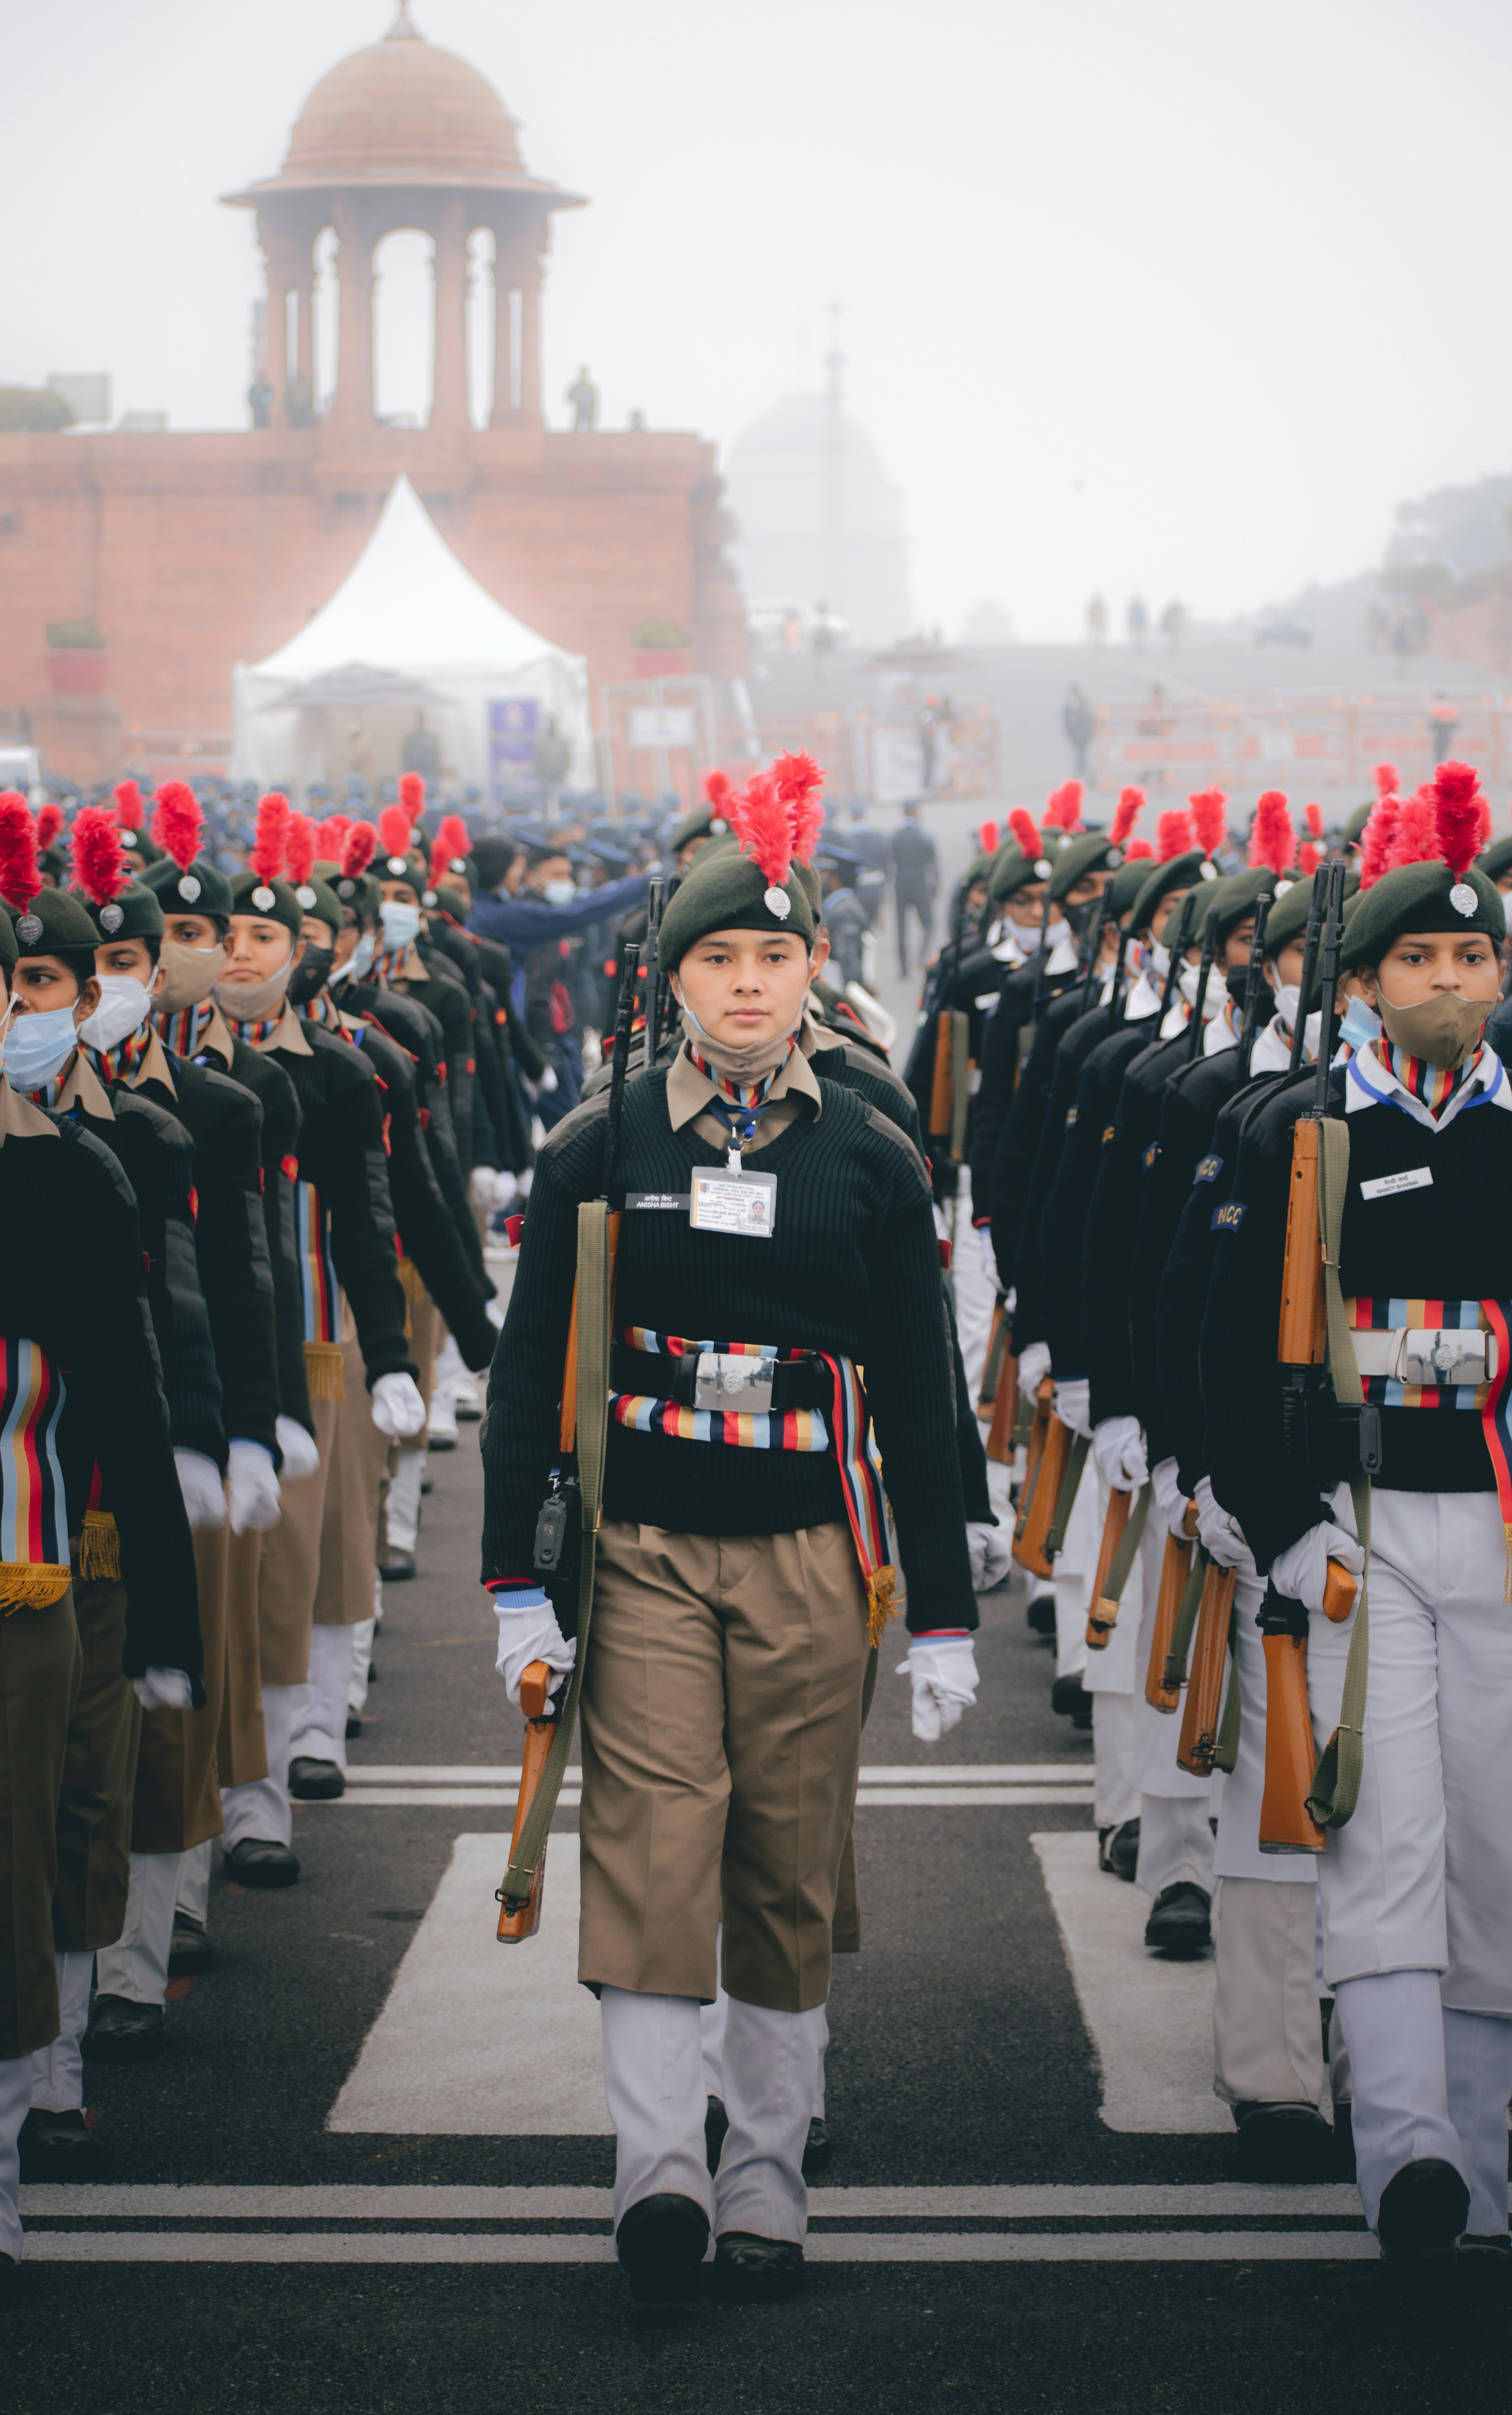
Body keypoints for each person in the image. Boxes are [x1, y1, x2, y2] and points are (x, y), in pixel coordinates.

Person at [482, 756, 977, 2309]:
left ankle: (766, 2161)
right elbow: (522, 1388)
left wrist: (949, 1608)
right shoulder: (605, 1140)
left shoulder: (868, 1151)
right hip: (642, 1547)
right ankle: (658, 2166)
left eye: (775, 956)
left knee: (779, 1855)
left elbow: (920, 1392)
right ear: (671, 973)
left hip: (810, 1549)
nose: (749, 984)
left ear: (814, 968)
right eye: (718, 957)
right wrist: (518, 1588)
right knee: (647, 1844)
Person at [1201, 761, 1512, 2269]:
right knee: (1378, 1834)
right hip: (1364, 1518)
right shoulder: (1305, 1124)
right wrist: (1279, 1518)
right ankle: (1407, 2152)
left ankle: (1486, 2140)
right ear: (1367, 981)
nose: (1447, 979)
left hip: (1505, 1522)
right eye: (1417, 958)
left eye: (1473, 954)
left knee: (1502, 1845)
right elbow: (1230, 1337)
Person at [890, 799, 938, 976]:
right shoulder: (925, 834)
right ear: (916, 811)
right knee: (929, 923)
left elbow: (890, 862)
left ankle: (903, 968)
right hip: (920, 883)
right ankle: (922, 955)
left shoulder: (894, 835)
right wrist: (936, 886)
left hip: (901, 883)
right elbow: (934, 863)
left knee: (901, 926)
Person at [1062, 685, 1095, 779]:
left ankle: (1080, 776)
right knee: (1081, 755)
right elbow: (1066, 722)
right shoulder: (1068, 707)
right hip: (1075, 735)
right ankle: (1088, 776)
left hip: (1084, 735)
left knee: (1080, 755)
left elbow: (1090, 720)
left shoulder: (1084, 705)